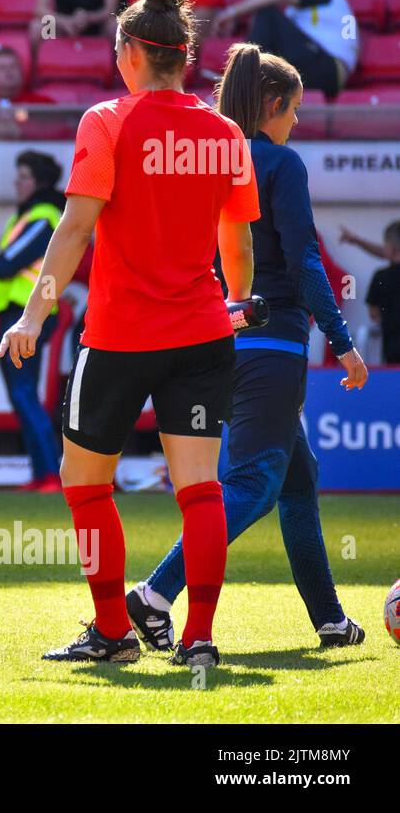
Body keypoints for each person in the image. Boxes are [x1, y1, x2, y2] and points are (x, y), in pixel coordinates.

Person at [0, 0, 260, 668]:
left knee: (84, 483)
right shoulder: (225, 132)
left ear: (132, 53)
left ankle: (113, 631)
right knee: (200, 490)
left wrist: (33, 314)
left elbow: (74, 228)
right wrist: (237, 302)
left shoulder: (107, 120)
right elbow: (238, 246)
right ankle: (199, 639)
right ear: (184, 55)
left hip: (119, 336)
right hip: (204, 332)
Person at [128, 43, 370, 652]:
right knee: (255, 482)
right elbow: (305, 259)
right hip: (273, 341)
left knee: (295, 479)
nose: (296, 124)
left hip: (214, 335)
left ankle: (330, 620)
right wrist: (342, 342)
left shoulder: (208, 157)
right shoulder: (281, 165)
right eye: (294, 111)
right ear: (272, 103)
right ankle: (155, 593)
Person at [0, 151, 65, 493]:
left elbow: (1, 263)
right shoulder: (29, 215)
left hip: (29, 315)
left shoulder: (43, 216)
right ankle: (42, 472)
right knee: (21, 394)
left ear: (39, 182)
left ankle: (50, 473)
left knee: (24, 393)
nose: (18, 182)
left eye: (24, 176)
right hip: (19, 313)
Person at [214, 0, 358, 97]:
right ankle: (250, 82)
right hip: (317, 64)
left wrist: (230, 13)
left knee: (267, 13)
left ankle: (245, 83)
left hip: (328, 69)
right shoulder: (300, 10)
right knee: (265, 22)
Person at [0, 47, 56, 140]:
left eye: (13, 66)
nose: (9, 71)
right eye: (2, 68)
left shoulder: (43, 104)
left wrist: (23, 131)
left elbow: (57, 132)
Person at [341, 220, 400, 364]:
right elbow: (388, 252)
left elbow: (373, 313)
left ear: (390, 248)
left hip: (393, 351)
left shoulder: (381, 277)